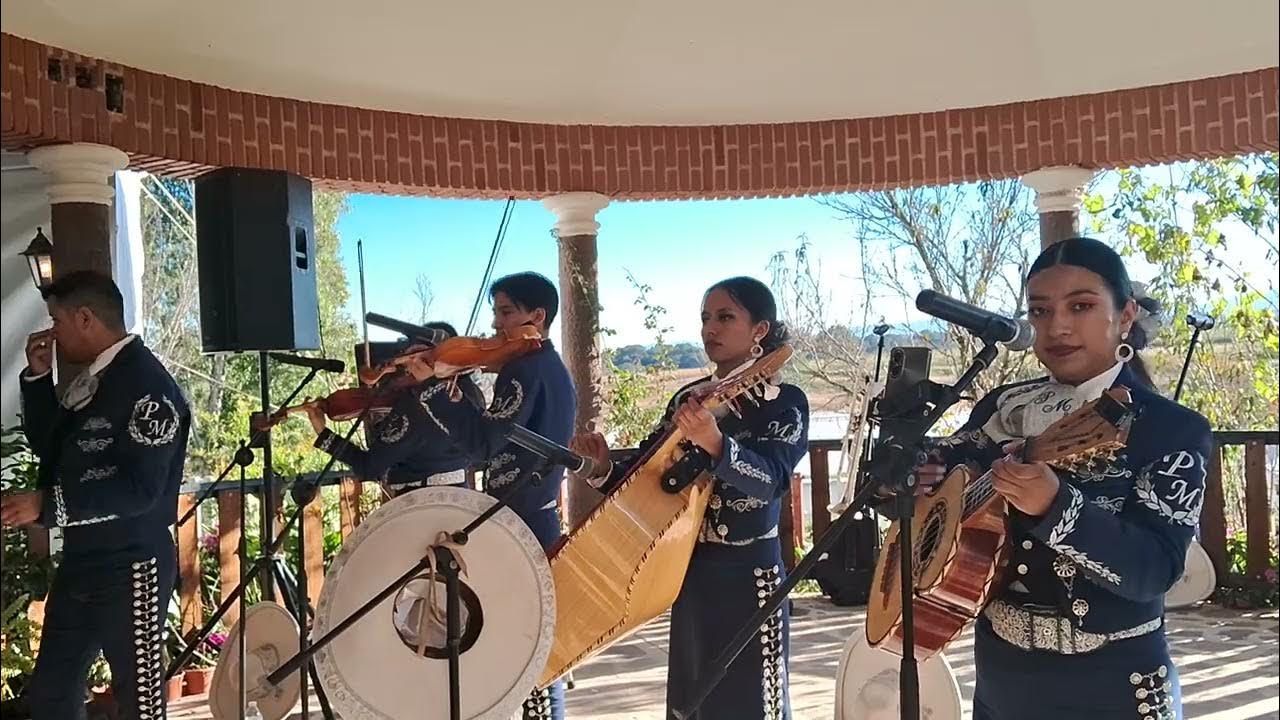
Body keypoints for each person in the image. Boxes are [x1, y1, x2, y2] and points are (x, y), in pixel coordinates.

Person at [916, 237, 1211, 719]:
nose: (1057, 326)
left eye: (1081, 305)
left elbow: (1154, 570)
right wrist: (912, 477)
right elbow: (943, 471)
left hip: (1115, 687)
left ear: (1126, 315)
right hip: (1002, 682)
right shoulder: (1004, 409)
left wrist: (1057, 509)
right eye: (1039, 310)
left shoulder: (1171, 429)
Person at [571, 276, 810, 720]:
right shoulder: (691, 398)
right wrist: (603, 469)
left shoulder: (785, 402)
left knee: (754, 704)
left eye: (725, 317)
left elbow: (772, 481)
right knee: (693, 703)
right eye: (705, 318)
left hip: (749, 578)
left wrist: (718, 444)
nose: (710, 330)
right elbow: (650, 477)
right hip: (688, 572)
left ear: (760, 329)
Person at [1, 271, 191, 720]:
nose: (54, 334)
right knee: (52, 693)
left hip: (132, 563)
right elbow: (54, 446)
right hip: (83, 560)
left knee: (138, 703)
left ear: (85, 318)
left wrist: (47, 506)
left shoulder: (149, 389)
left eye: (58, 321)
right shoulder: (96, 379)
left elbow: (141, 491)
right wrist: (37, 379)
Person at [421, 272, 576, 720]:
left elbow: (485, 444)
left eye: (506, 312)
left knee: (527, 647)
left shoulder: (525, 370)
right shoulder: (544, 367)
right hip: (530, 512)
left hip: (524, 517)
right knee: (525, 643)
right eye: (496, 313)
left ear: (537, 316)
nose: (495, 327)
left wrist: (436, 389)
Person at [305, 322, 483, 496]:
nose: (406, 366)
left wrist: (323, 433)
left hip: (422, 504)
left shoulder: (416, 405)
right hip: (462, 497)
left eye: (412, 357)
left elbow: (368, 466)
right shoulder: (473, 394)